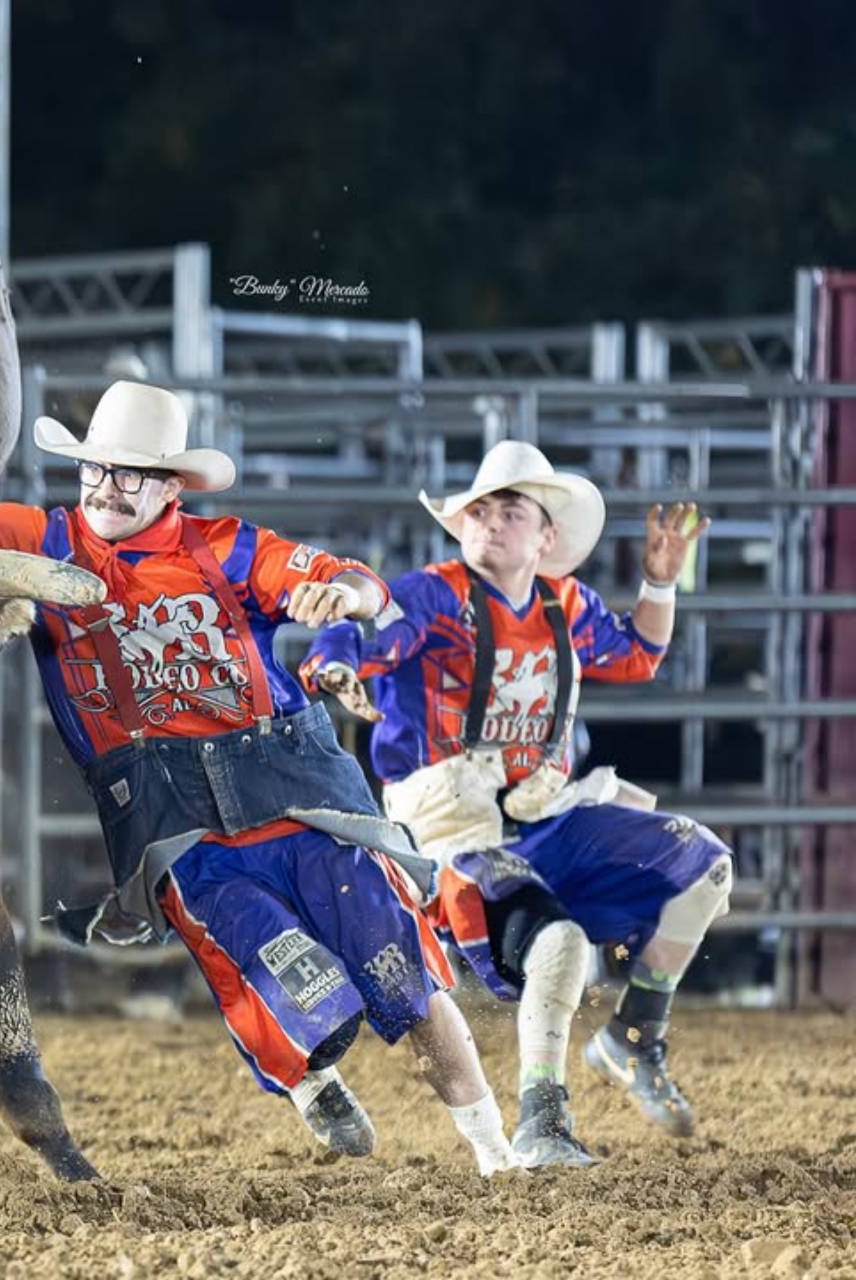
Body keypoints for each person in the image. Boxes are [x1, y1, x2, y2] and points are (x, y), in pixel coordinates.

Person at [0, 381, 521, 1176]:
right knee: (273, 962)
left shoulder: (228, 545)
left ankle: (493, 1147)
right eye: (95, 468)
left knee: (396, 961)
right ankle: (312, 1076)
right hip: (179, 821)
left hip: (290, 783)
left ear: (171, 486)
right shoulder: (45, 540)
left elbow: (353, 579)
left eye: (128, 473)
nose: (105, 486)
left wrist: (335, 594)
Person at [302, 440, 730, 1164]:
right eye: (479, 509)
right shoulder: (434, 596)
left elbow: (637, 655)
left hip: (544, 812)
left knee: (706, 865)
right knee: (560, 942)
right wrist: (337, 663)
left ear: (546, 537)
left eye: (509, 510)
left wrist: (660, 583)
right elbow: (363, 629)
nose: (489, 522)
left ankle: (635, 1037)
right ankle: (542, 1119)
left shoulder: (566, 604)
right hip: (451, 825)